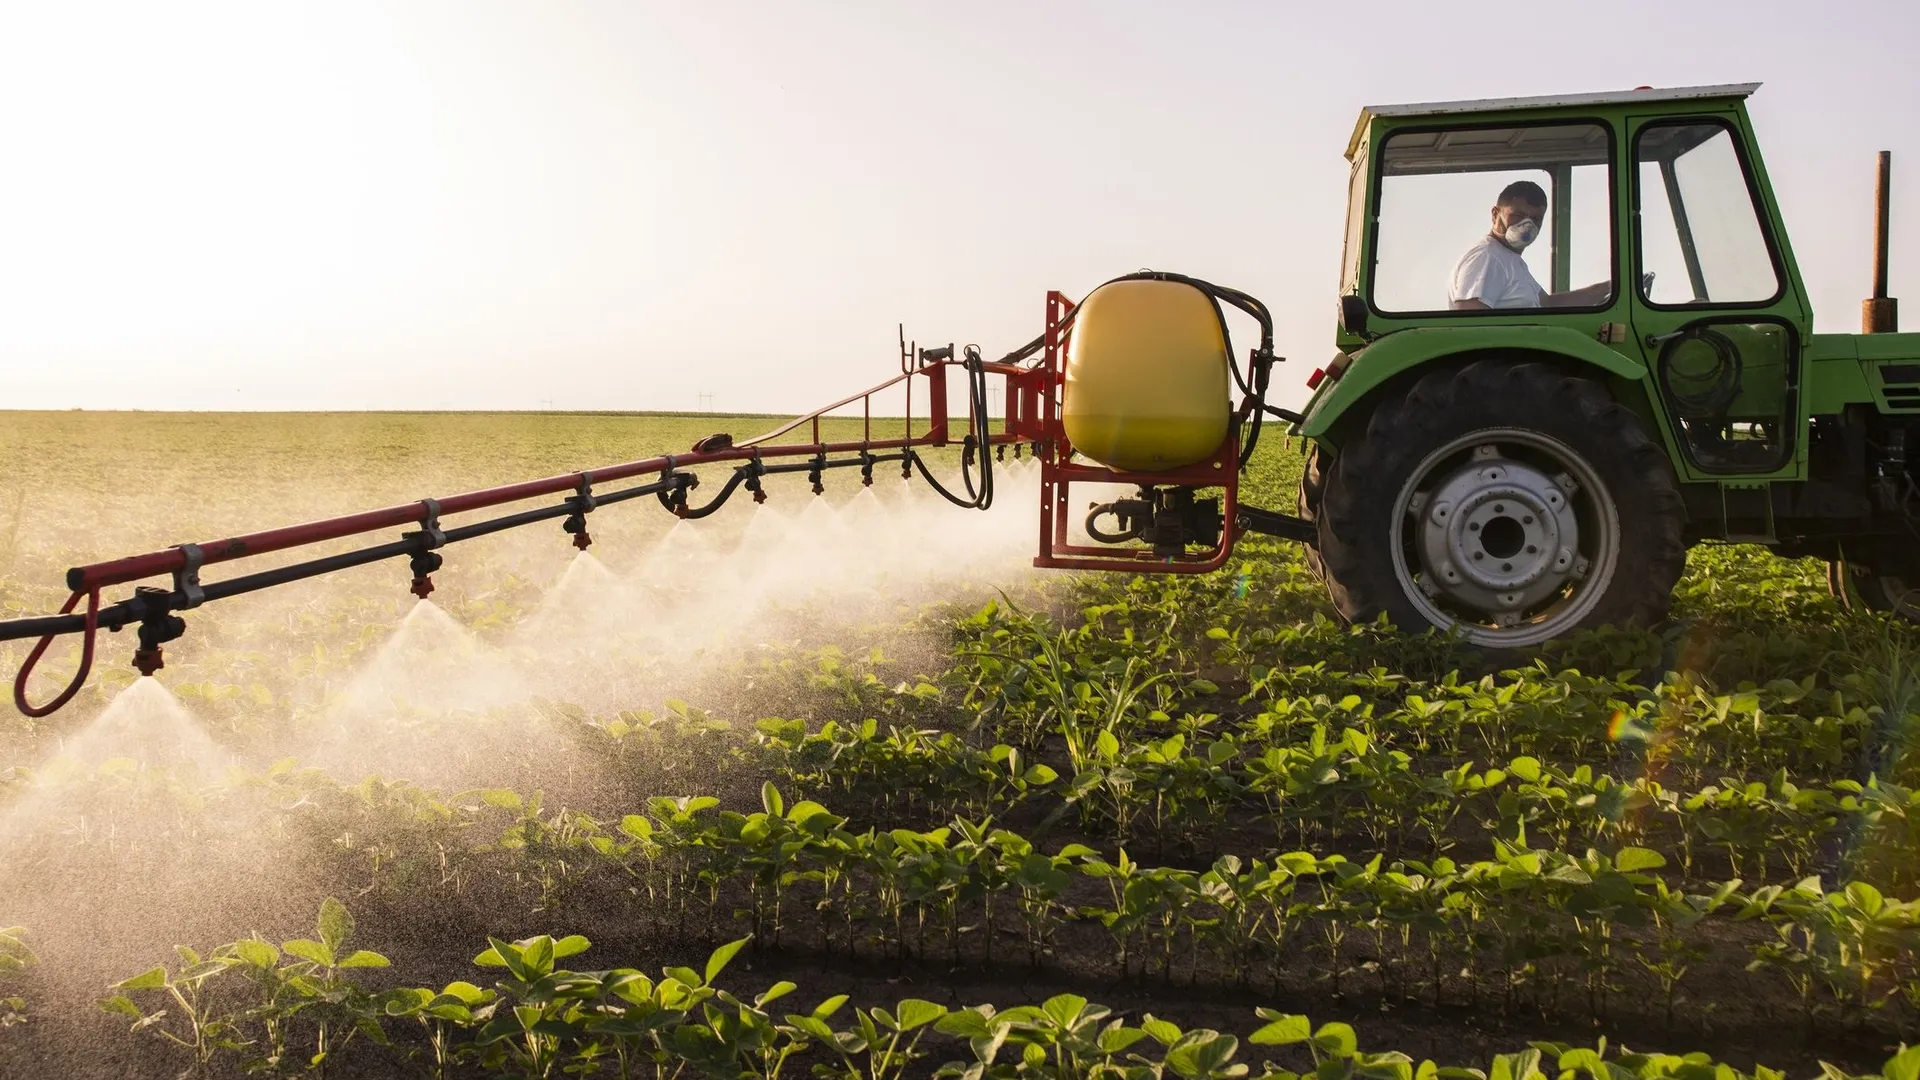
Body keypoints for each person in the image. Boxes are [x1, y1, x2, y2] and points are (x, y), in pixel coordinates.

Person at [1449, 180, 1611, 309]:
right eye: (1517, 215)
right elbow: (1469, 316)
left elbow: (1548, 305)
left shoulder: (1510, 260)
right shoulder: (1487, 257)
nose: (1527, 225)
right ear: (1495, 214)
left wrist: (1606, 288)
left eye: (1536, 219)